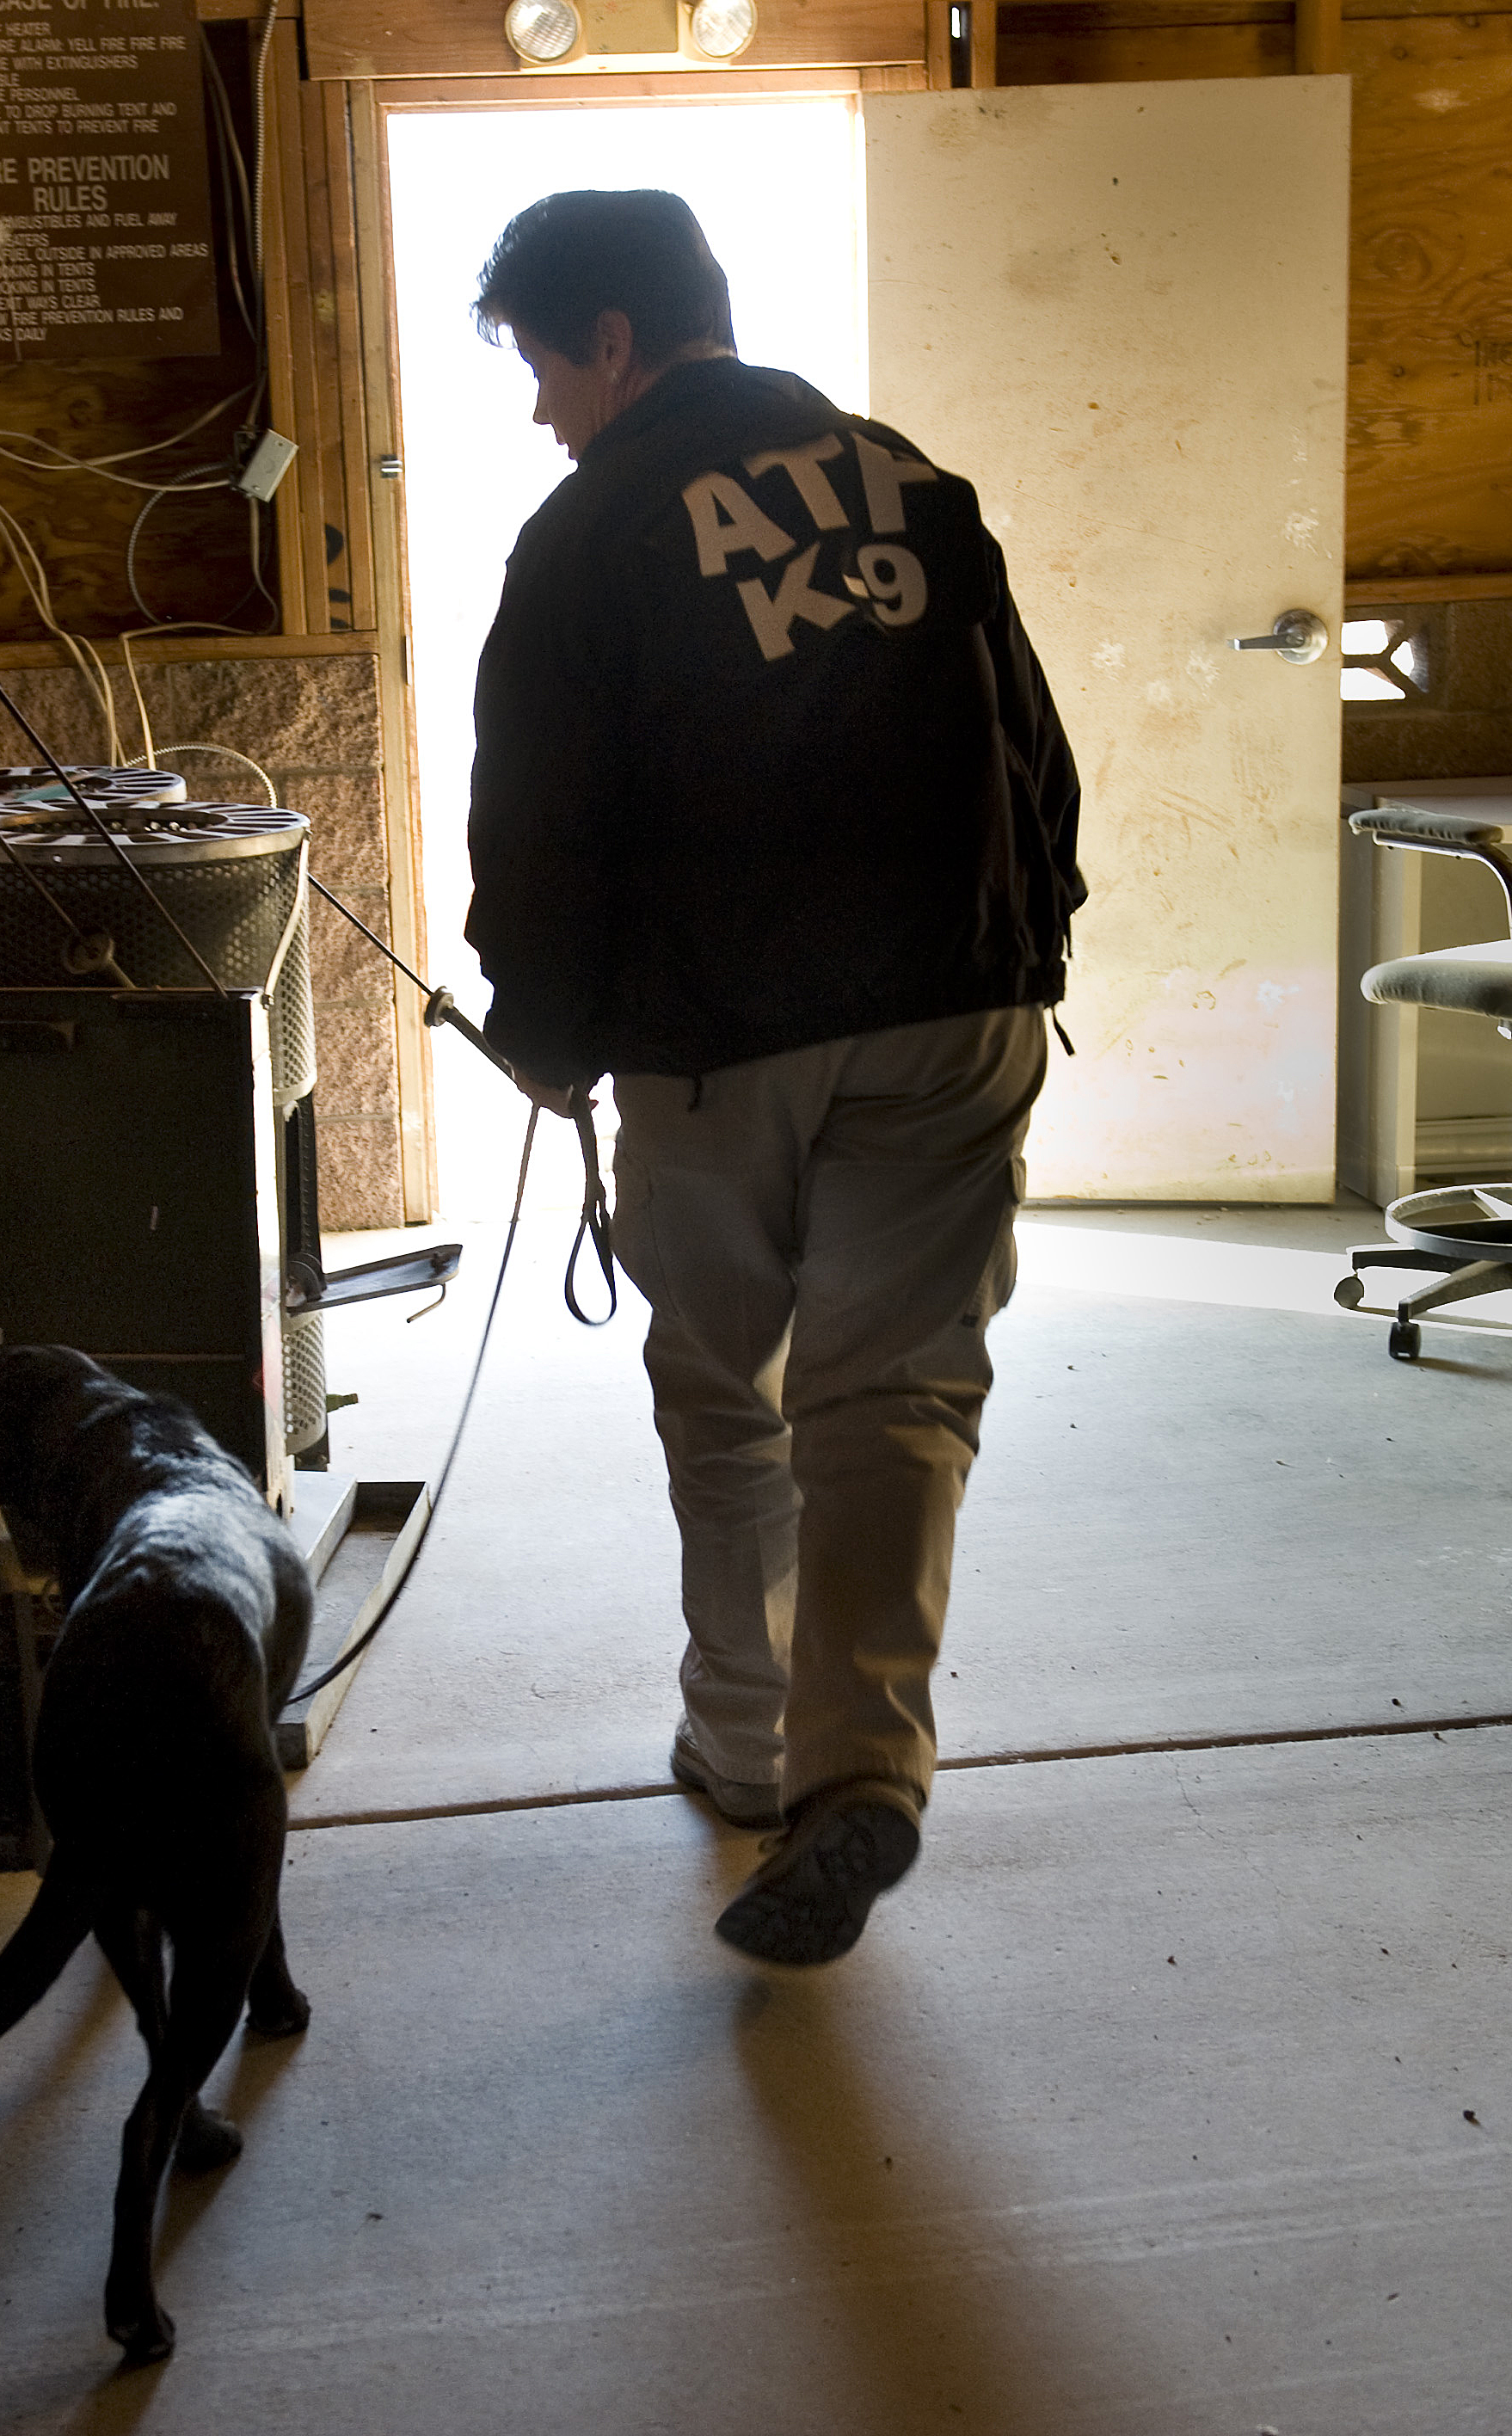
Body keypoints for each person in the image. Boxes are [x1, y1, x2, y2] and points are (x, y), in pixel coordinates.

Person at [461, 189, 1084, 1967]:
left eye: (538, 365)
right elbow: (1031, 750)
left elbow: (538, 831)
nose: (538, 410)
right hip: (955, 1013)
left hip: (721, 1041)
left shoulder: (587, 535)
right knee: (895, 1398)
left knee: (732, 1396)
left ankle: (743, 1753)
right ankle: (859, 1773)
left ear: (610, 341)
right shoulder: (908, 477)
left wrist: (547, 1033)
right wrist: (1023, 961)